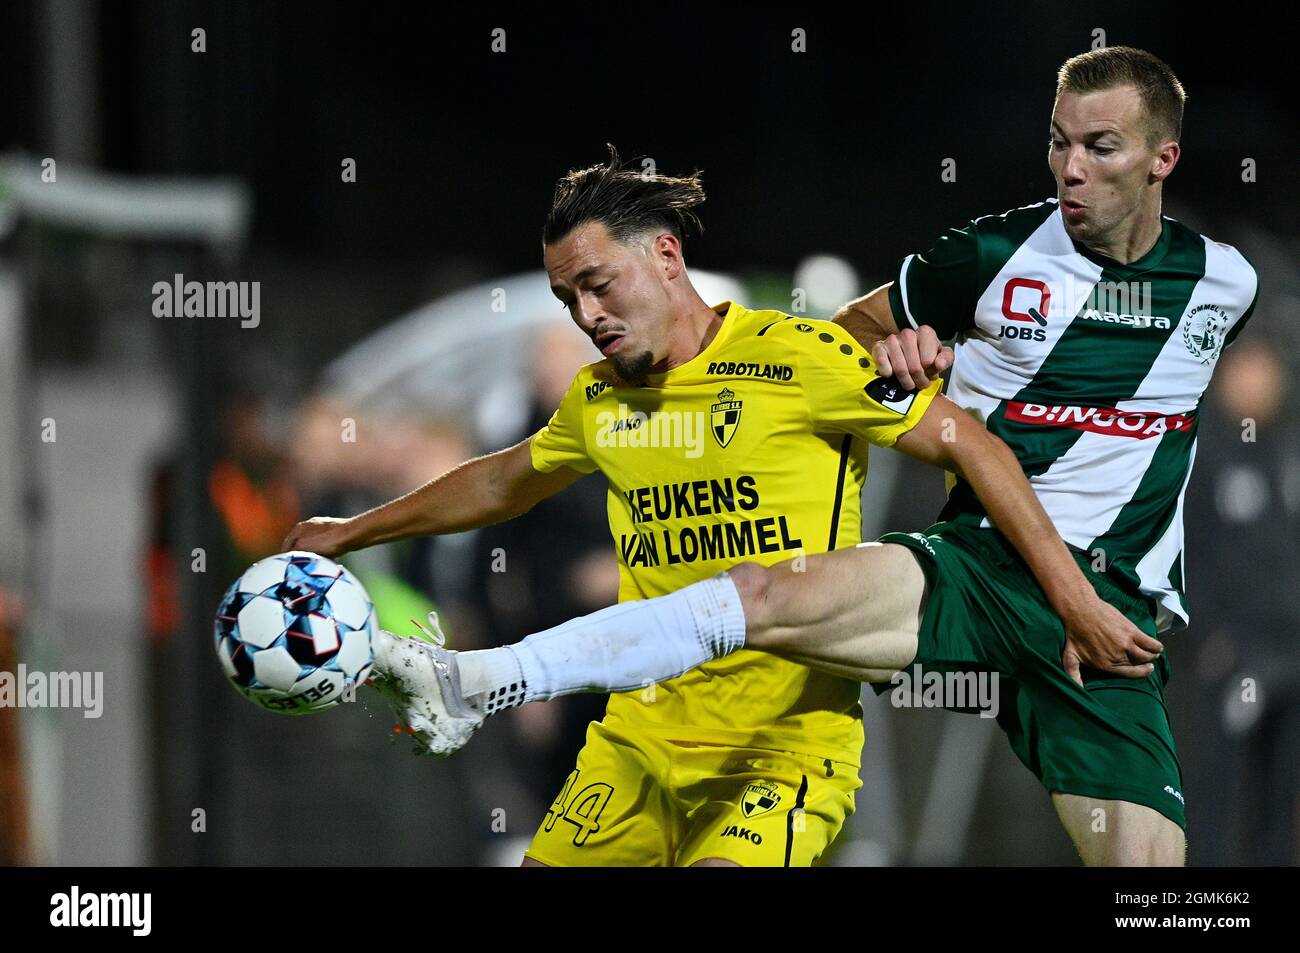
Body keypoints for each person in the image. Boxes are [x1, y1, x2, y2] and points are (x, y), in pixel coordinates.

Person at [348, 47, 1260, 866]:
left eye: (1099, 148)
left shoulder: (1227, 283)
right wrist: (897, 352)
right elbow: (853, 336)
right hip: (983, 565)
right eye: (1057, 142)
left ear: (1161, 159)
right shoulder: (991, 251)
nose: (1069, 168)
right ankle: (479, 681)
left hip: (1110, 619)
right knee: (765, 591)